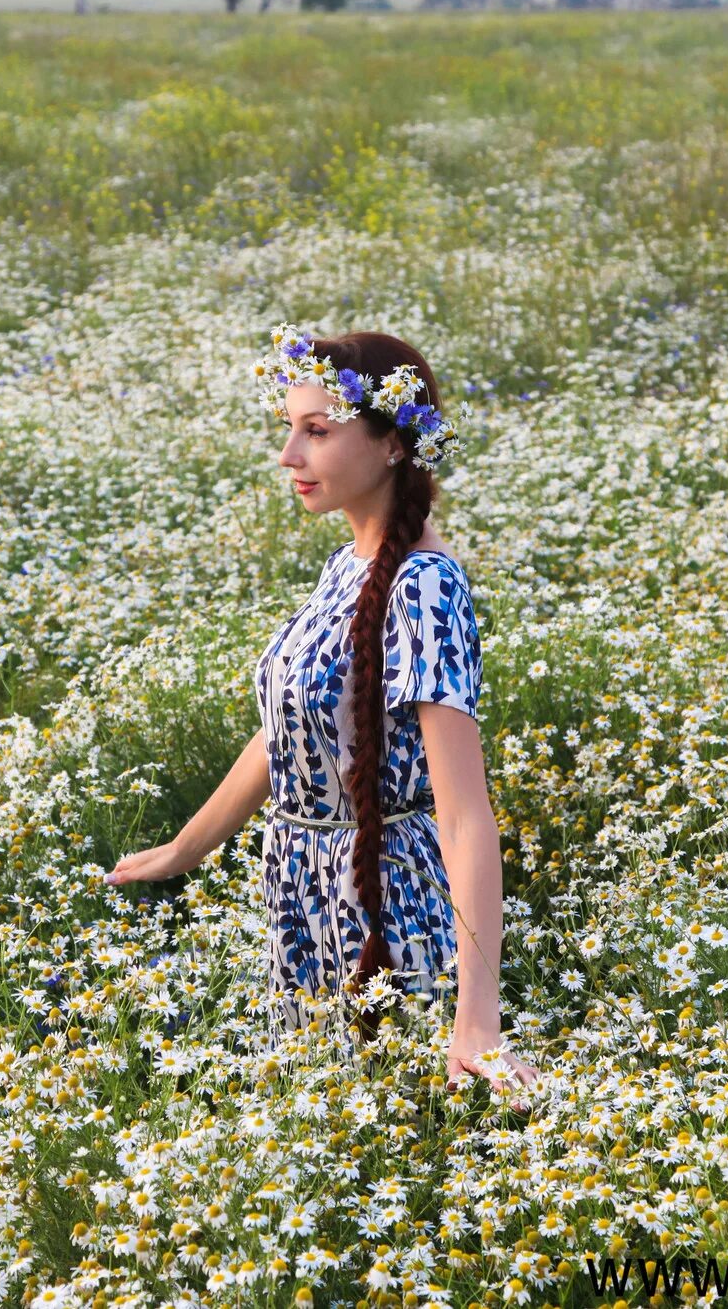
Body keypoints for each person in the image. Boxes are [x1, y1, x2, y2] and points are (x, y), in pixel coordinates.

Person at [105, 323, 538, 1110]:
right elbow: (290, 737)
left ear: (394, 445)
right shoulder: (348, 564)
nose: (289, 457)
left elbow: (466, 812)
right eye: (289, 430)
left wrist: (478, 1016)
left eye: (317, 432)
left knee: (399, 1143)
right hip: (303, 892)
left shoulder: (425, 586)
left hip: (385, 903)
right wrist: (183, 847)